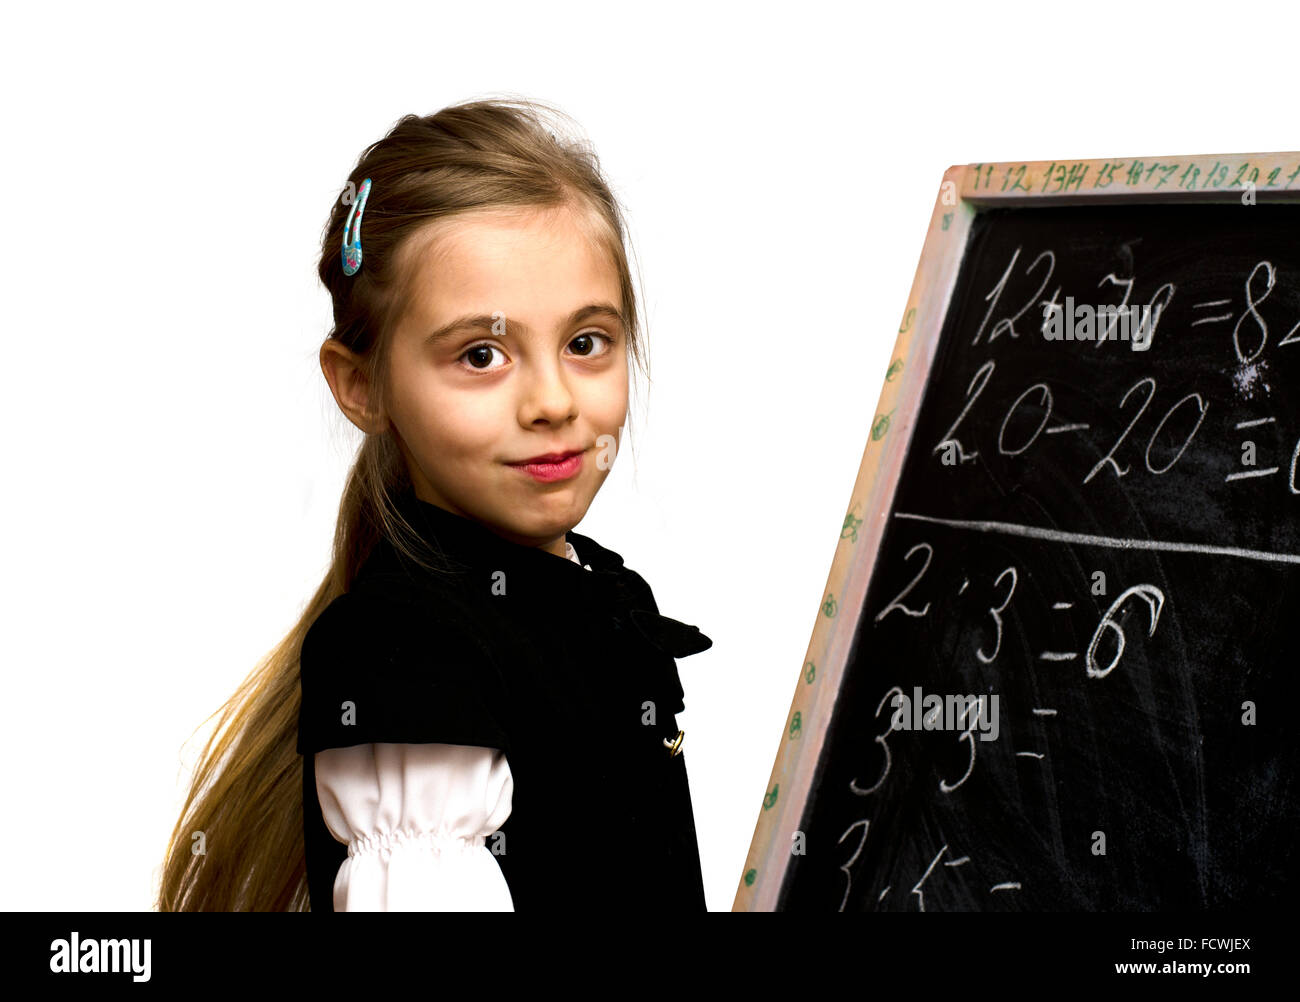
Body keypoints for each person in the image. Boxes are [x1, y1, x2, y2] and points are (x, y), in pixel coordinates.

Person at [157, 97, 712, 912]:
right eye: (482, 355)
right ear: (361, 386)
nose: (553, 401)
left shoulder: (597, 597)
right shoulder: (407, 652)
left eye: (586, 342)